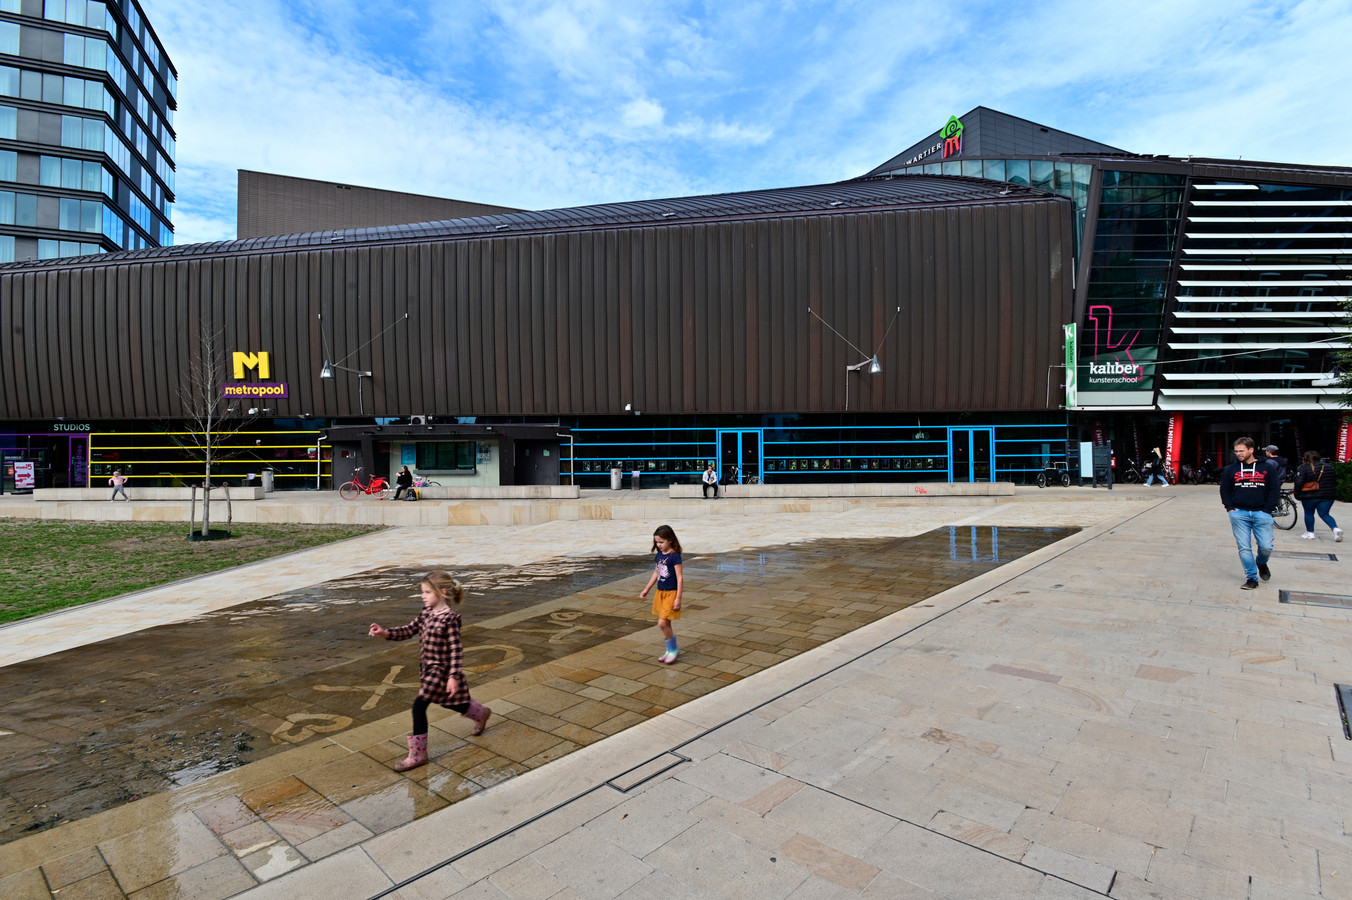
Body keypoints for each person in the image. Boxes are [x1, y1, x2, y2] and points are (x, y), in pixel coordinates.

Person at [368, 571, 492, 771]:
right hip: (428, 670)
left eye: (426, 592)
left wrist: (453, 677)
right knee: (449, 702)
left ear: (442, 592)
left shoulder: (449, 619)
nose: (422, 596)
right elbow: (409, 630)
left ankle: (418, 754)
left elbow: (456, 650)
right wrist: (385, 633)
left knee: (419, 705)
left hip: (442, 671)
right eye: (422, 592)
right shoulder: (426, 613)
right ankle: (479, 712)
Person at [1219, 437, 1280, 590]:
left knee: (1266, 547)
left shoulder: (1267, 467)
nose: (1238, 454)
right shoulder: (1231, 469)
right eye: (1236, 451)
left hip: (1262, 513)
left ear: (1251, 450)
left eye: (1241, 451)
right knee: (1244, 547)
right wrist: (1230, 508)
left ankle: (1261, 562)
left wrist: (1268, 510)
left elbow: (1274, 489)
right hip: (1239, 513)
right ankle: (1251, 578)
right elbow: (1224, 489)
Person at [639, 525, 684, 664]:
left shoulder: (674, 557)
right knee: (666, 623)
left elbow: (680, 578)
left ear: (670, 540)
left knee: (662, 623)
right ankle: (669, 650)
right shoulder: (659, 555)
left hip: (671, 594)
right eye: (656, 542)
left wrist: (678, 598)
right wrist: (647, 589)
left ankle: (674, 648)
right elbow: (656, 573)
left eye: (661, 542)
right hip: (661, 593)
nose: (658, 545)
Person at [1293, 450, 1342, 542]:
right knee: (1324, 514)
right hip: (1328, 496)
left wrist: (1297, 494)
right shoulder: (1329, 467)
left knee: (1309, 513)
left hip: (1309, 495)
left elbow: (1299, 482)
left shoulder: (1304, 468)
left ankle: (1310, 533)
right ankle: (1335, 529)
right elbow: (1334, 481)